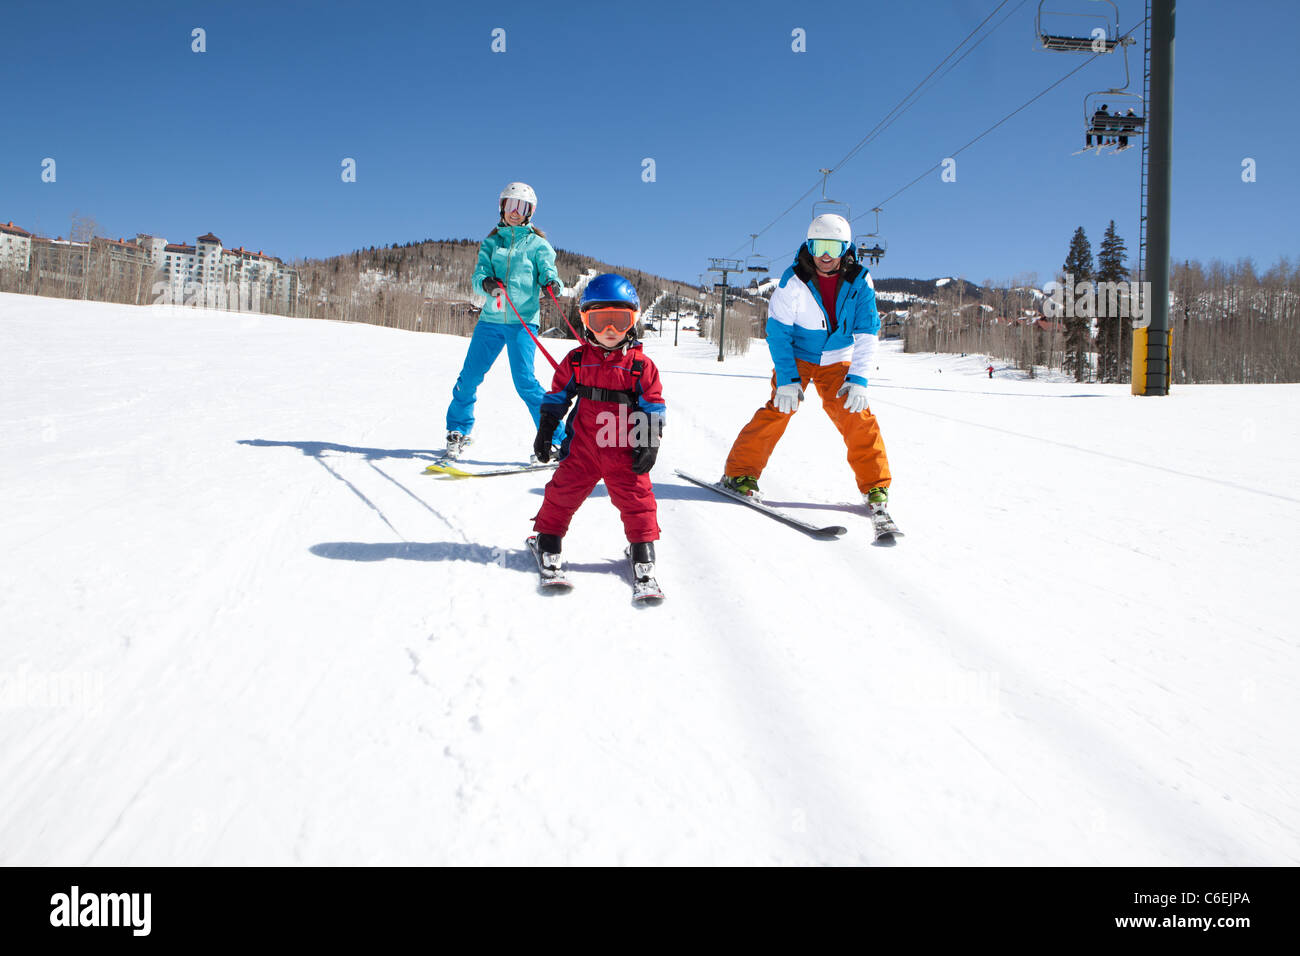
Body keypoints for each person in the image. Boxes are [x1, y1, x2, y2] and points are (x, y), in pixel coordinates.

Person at [721, 214, 893, 521]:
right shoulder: (792, 281)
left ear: (846, 249)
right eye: (817, 246)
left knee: (856, 414)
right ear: (808, 246)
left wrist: (859, 378)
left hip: (837, 356)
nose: (825, 255)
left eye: (833, 247)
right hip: (798, 355)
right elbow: (778, 333)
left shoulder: (860, 280)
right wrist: (788, 379)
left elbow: (867, 332)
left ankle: (875, 486)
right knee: (780, 408)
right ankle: (740, 473)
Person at [530, 274, 666, 585]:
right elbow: (557, 395)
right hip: (583, 450)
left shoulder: (640, 366)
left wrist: (649, 442)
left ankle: (643, 553)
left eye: (619, 320)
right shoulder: (577, 361)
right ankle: (549, 542)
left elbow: (653, 404)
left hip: (624, 450)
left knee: (638, 500)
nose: (609, 331)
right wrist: (546, 429)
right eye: (600, 320)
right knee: (561, 493)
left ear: (633, 320)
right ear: (585, 320)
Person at [443, 182, 565, 460]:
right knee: (469, 377)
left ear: (530, 212)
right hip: (491, 321)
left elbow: (549, 271)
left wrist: (551, 283)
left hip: (523, 322)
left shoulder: (537, 244)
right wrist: (486, 283)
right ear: (502, 207)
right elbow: (478, 276)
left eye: (522, 207)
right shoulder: (491, 242)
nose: (515, 212)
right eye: (511, 205)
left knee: (525, 383)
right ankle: (458, 431)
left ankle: (556, 439)